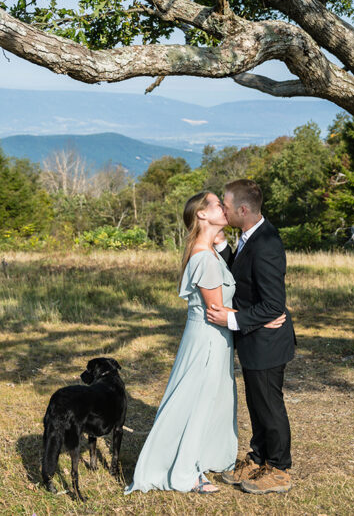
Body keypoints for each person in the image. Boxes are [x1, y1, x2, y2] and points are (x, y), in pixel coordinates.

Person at [126, 191, 286, 494]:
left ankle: (203, 457)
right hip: (208, 340)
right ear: (202, 214)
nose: (224, 209)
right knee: (198, 402)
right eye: (216, 204)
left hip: (216, 339)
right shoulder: (204, 258)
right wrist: (262, 317)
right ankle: (185, 472)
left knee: (211, 401)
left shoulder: (211, 251)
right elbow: (216, 311)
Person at [207, 179, 297, 495]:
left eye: (227, 207)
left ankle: (279, 469)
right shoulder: (249, 236)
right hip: (254, 340)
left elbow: (273, 304)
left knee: (269, 406)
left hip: (268, 343)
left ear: (243, 210)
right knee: (256, 403)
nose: (223, 211)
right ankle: (258, 458)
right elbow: (245, 277)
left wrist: (232, 318)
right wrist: (222, 248)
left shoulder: (267, 243)